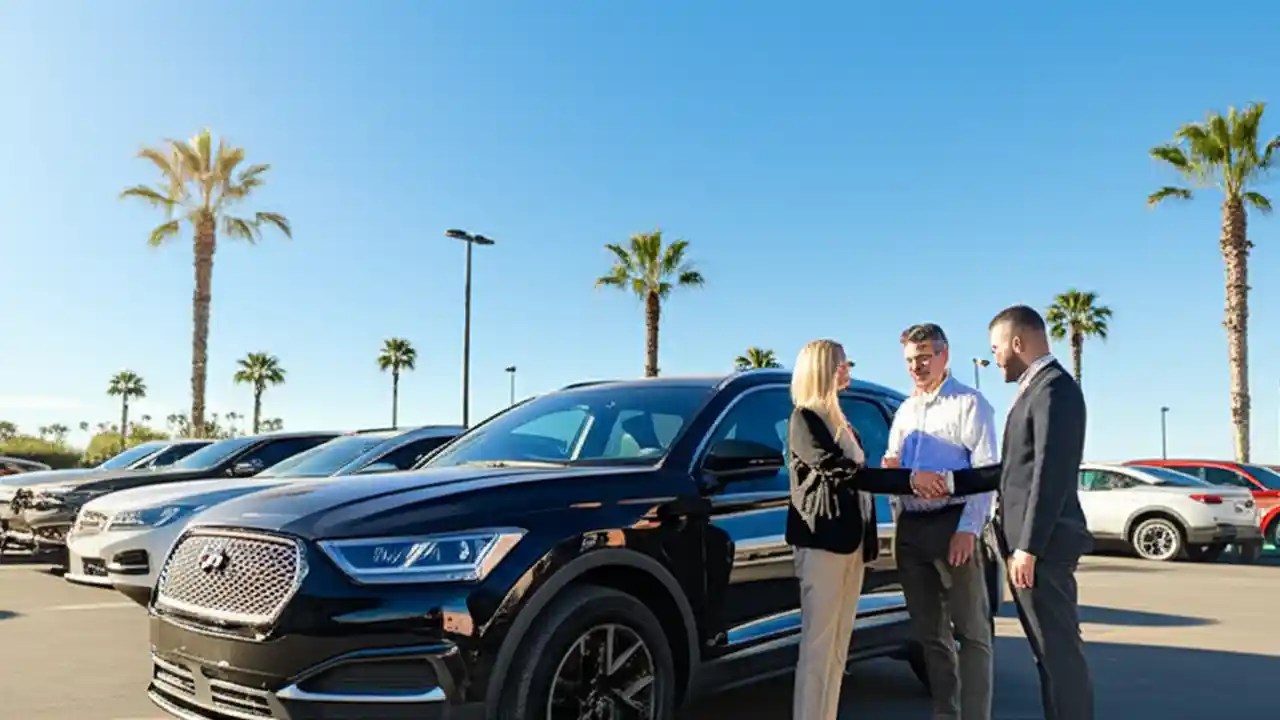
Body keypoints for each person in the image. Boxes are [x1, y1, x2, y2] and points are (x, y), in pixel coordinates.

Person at [785, 339, 996, 720]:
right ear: (821, 370)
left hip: (852, 547)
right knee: (818, 648)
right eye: (840, 365)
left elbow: (871, 471)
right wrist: (910, 481)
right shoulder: (805, 419)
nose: (847, 370)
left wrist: (899, 474)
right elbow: (842, 472)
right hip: (823, 545)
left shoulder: (840, 420)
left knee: (836, 650)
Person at [883, 323, 998, 720]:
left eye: (924, 357)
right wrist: (892, 470)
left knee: (971, 633)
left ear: (944, 355)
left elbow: (987, 475)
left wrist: (969, 528)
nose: (917, 366)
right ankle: (944, 713)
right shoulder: (905, 411)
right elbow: (894, 464)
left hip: (955, 526)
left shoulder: (970, 404)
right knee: (930, 635)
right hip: (911, 530)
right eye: (911, 360)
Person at [985, 305, 1094, 720]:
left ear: (1017, 343)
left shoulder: (1054, 390)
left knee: (1058, 655)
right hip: (1028, 548)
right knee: (1047, 656)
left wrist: (1027, 547)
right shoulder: (1034, 389)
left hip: (1041, 550)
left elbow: (1050, 473)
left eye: (996, 348)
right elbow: (1016, 471)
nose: (995, 358)